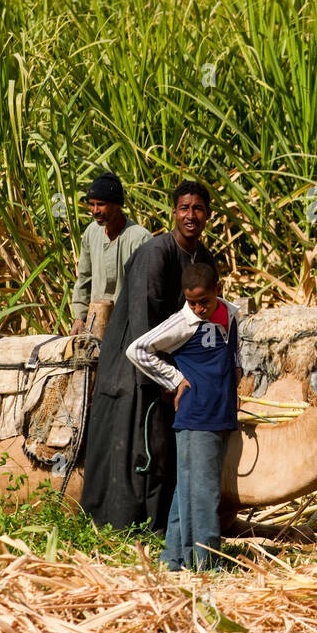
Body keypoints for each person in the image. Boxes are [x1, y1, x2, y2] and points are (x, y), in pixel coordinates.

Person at [82, 180, 218, 533]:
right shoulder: (156, 253)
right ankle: (126, 528)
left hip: (176, 364)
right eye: (184, 208)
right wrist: (165, 379)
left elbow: (207, 314)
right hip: (135, 363)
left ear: (207, 215)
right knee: (144, 448)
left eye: (198, 209)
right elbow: (145, 321)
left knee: (166, 449)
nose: (191, 215)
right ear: (174, 212)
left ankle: (165, 525)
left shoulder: (203, 258)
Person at [126, 263, 240, 571]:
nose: (199, 308)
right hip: (196, 417)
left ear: (219, 289)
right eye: (192, 302)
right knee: (205, 495)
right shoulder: (183, 323)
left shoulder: (230, 313)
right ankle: (206, 565)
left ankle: (173, 560)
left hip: (221, 414)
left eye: (204, 301)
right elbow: (138, 350)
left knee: (189, 489)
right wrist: (173, 379)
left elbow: (234, 351)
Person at [70, 172, 149, 335]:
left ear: (117, 204)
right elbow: (84, 277)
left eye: (101, 204)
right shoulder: (92, 232)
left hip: (129, 325)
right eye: (91, 204)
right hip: (96, 322)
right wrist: (79, 317)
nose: (95, 210)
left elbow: (147, 289)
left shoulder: (140, 238)